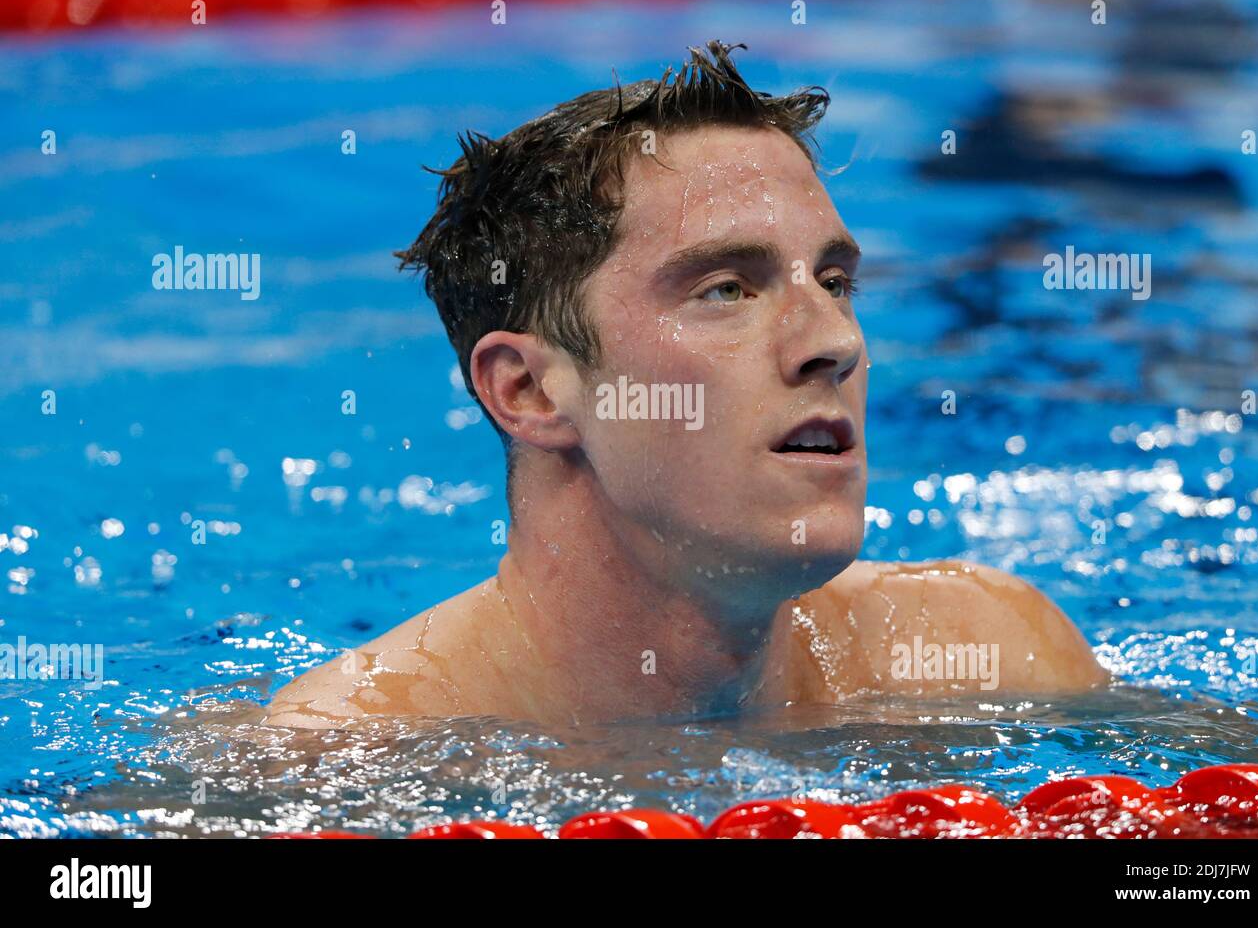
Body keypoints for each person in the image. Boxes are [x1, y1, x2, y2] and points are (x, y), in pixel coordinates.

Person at [265, 41, 1106, 729]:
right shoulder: (353, 755)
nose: (836, 343)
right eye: (727, 290)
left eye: (835, 281)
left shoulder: (991, 662)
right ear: (529, 391)